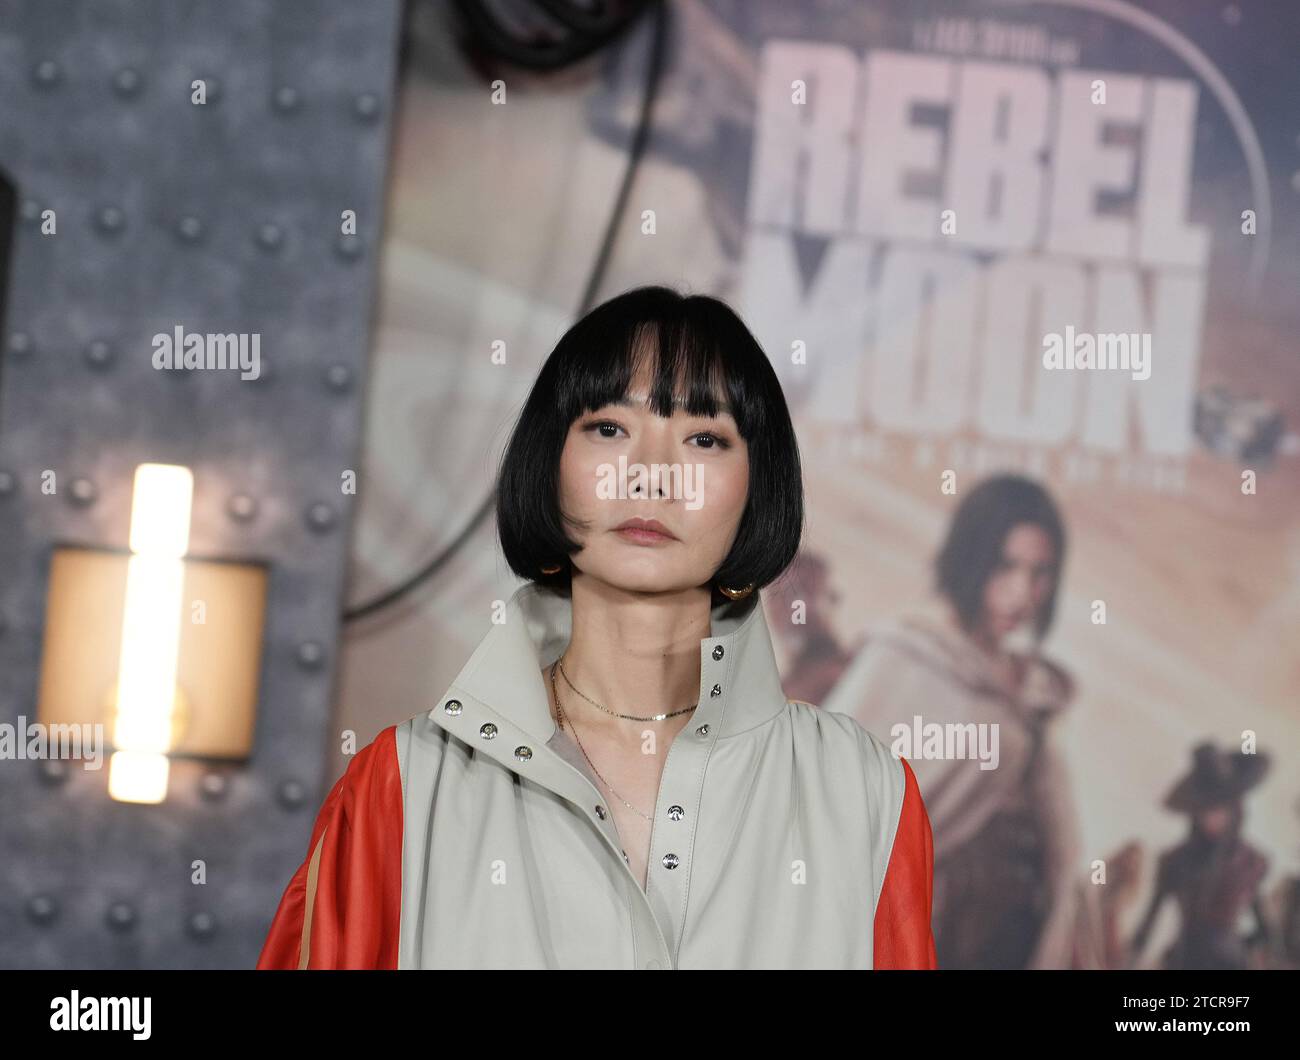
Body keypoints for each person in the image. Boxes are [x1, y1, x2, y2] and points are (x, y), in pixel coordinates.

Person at [257, 284, 937, 969]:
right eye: (610, 428)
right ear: (550, 461)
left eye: (704, 438)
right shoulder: (405, 786)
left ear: (757, 487)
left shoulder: (862, 793)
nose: (651, 475)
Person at [823, 473, 1101, 969]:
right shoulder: (904, 659)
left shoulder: (1031, 696)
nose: (1023, 593)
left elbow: (1056, 845)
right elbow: (824, 803)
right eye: (1006, 566)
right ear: (972, 557)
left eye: (1041, 573)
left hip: (1006, 944)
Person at [1128, 742, 1272, 969]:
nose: (1211, 817)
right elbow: (1148, 923)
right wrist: (1130, 960)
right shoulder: (1175, 860)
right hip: (1183, 962)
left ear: (1235, 810)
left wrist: (1237, 946)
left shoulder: (1251, 863)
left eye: (1219, 808)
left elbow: (1265, 930)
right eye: (1205, 809)